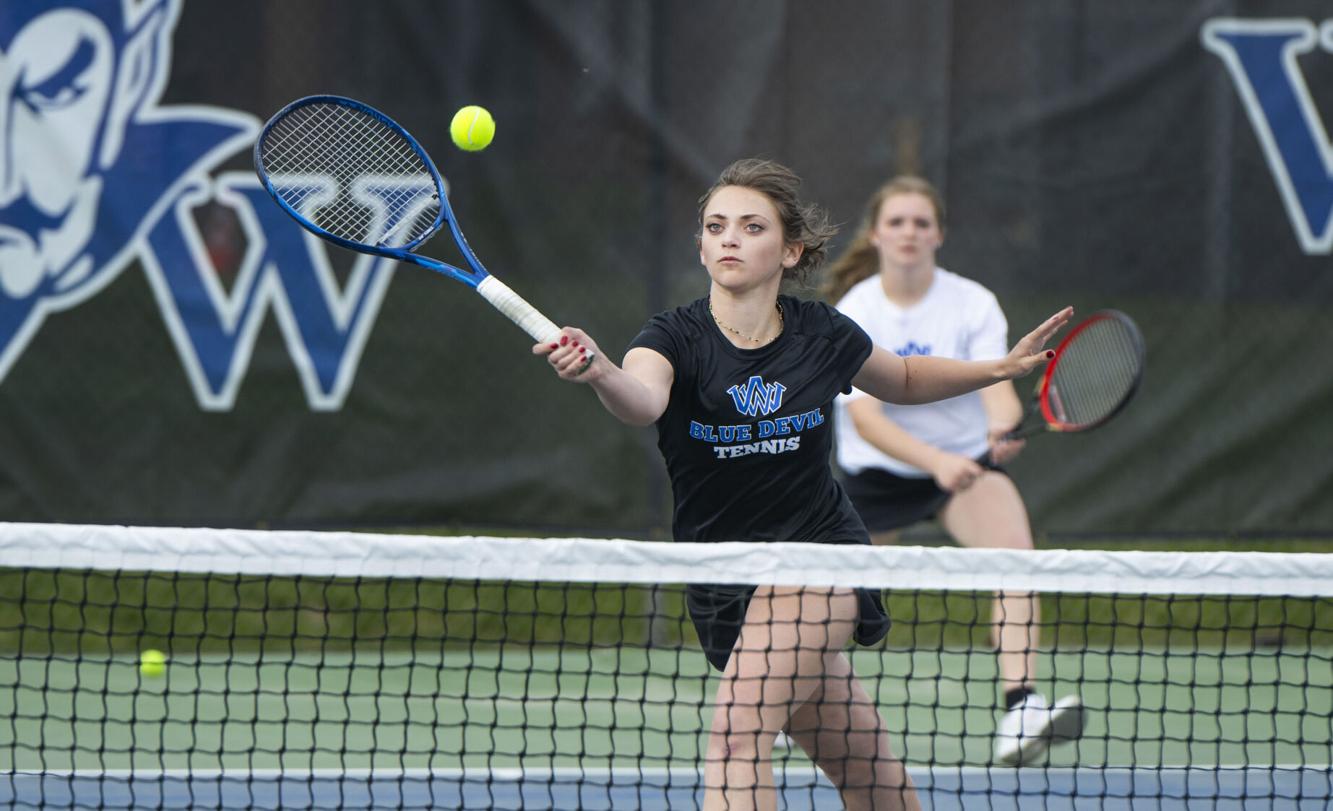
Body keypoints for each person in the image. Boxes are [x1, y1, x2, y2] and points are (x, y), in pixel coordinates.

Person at [535, 158, 1071, 810]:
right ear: (701, 245)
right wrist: (598, 370)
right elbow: (640, 400)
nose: (728, 237)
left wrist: (997, 369)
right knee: (873, 780)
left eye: (750, 225)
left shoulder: (820, 331)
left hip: (818, 558)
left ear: (789, 250)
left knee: (734, 736)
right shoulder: (671, 338)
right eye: (715, 225)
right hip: (723, 580)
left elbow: (900, 379)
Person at [822, 175, 1086, 768]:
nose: (909, 232)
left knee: (1015, 560)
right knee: (833, 592)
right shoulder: (856, 310)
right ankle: (798, 697)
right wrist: (936, 462)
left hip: (965, 468)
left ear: (938, 233)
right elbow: (866, 421)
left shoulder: (973, 303)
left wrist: (999, 430)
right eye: (897, 222)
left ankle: (1022, 707)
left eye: (921, 222)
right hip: (875, 477)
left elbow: (1000, 389)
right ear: (877, 234)